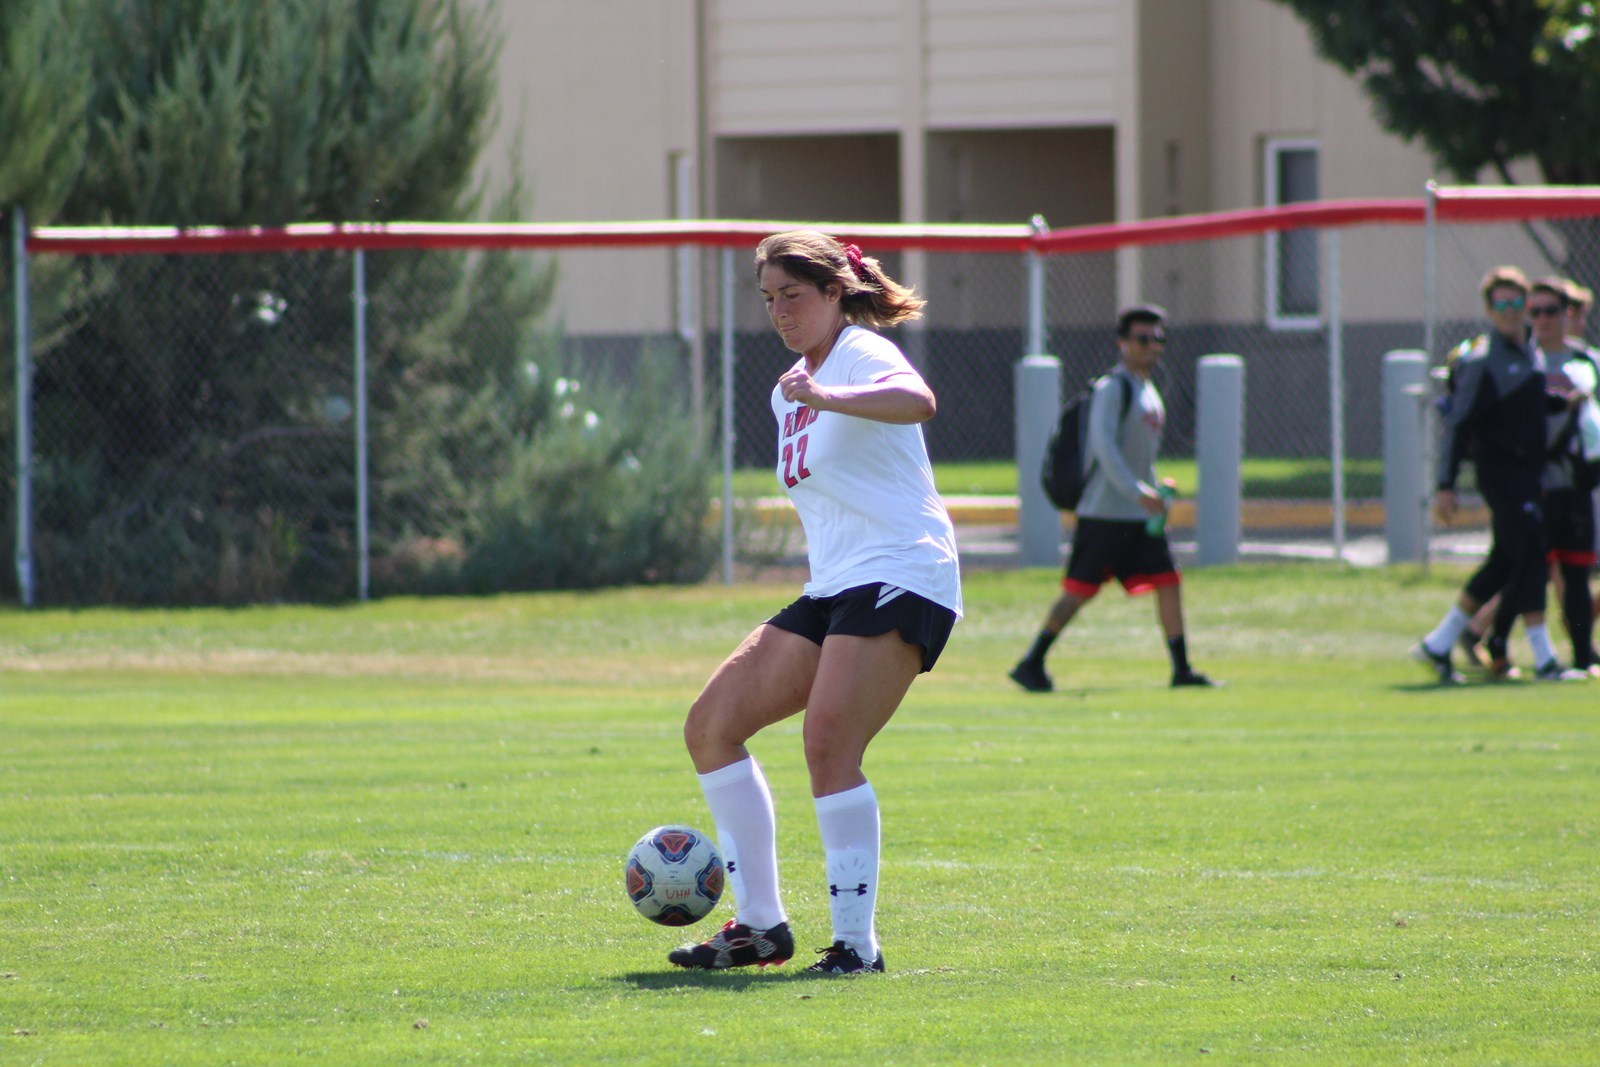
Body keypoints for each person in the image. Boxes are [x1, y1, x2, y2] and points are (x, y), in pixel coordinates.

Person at [668, 231, 961, 976]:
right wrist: (811, 391)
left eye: (793, 295)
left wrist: (828, 392)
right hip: (833, 584)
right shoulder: (786, 387)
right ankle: (761, 926)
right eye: (768, 299)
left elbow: (918, 400)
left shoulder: (859, 353)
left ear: (835, 291)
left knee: (829, 744)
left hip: (903, 569)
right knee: (711, 726)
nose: (780, 312)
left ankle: (856, 946)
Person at [1009, 304, 1217, 692]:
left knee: (1169, 581)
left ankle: (1182, 669)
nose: (1151, 346)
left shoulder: (1149, 390)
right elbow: (1104, 448)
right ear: (1122, 343)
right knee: (1077, 593)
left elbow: (1141, 456)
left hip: (1137, 516)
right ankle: (1031, 662)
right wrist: (1137, 491)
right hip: (1104, 513)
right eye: (1142, 339)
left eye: (1158, 339)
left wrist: (1153, 491)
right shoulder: (1112, 388)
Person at [1412, 266, 1583, 683]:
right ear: (1489, 309)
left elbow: (1525, 404)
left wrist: (1564, 404)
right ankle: (1542, 659)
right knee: (1528, 554)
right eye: (1501, 303)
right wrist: (1446, 485)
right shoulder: (1482, 359)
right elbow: (1461, 424)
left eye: (1516, 302)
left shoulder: (1527, 351)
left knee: (1508, 559)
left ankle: (1438, 644)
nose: (1510, 311)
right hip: (1500, 472)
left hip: (1527, 472)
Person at [1473, 278, 1599, 677]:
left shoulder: (1587, 362)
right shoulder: (1521, 363)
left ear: (1569, 314)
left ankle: (1582, 653)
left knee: (1576, 571)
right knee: (1526, 567)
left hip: (1575, 481)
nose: (1542, 320)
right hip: (1530, 482)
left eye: (1551, 311)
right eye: (1536, 311)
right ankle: (1492, 639)